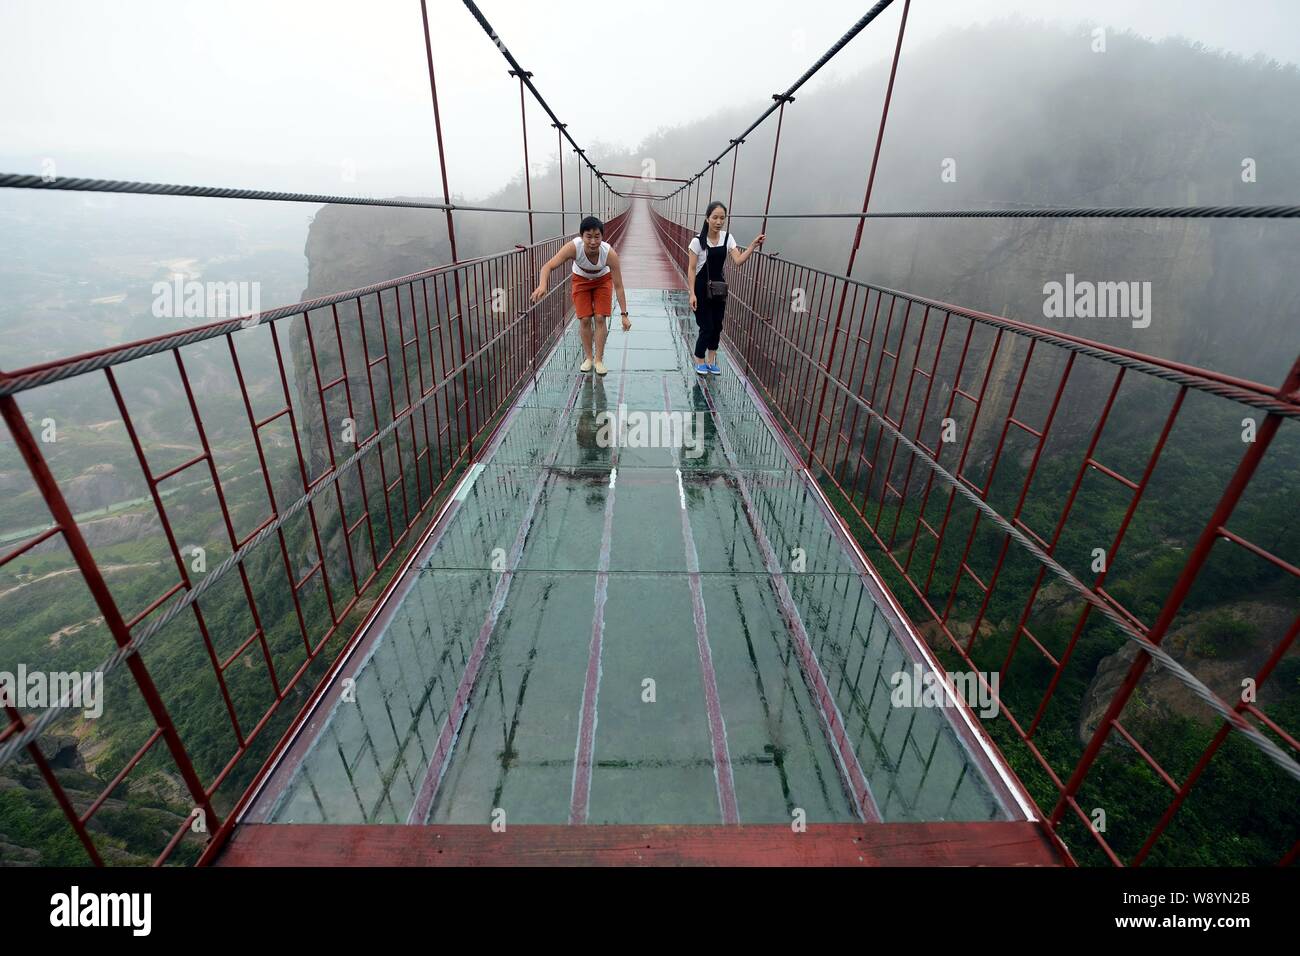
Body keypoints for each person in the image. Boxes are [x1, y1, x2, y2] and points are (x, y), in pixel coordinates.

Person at [531, 215, 631, 375]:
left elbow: (618, 286)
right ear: (581, 236)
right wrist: (543, 285)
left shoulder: (609, 254)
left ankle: (598, 360)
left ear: (602, 237)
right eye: (588, 237)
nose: (593, 241)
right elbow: (548, 266)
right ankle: (589, 358)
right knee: (584, 319)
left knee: (600, 318)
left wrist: (624, 314)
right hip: (581, 280)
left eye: (597, 237)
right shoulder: (573, 248)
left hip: (602, 281)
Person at [686, 201, 763, 375]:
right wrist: (692, 293)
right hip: (700, 287)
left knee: (717, 325)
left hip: (718, 289)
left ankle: (711, 360)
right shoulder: (697, 241)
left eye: (722, 218)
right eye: (715, 217)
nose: (719, 221)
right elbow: (691, 268)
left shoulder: (728, 238)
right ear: (707, 219)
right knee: (706, 326)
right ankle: (699, 359)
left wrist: (752, 246)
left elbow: (738, 261)